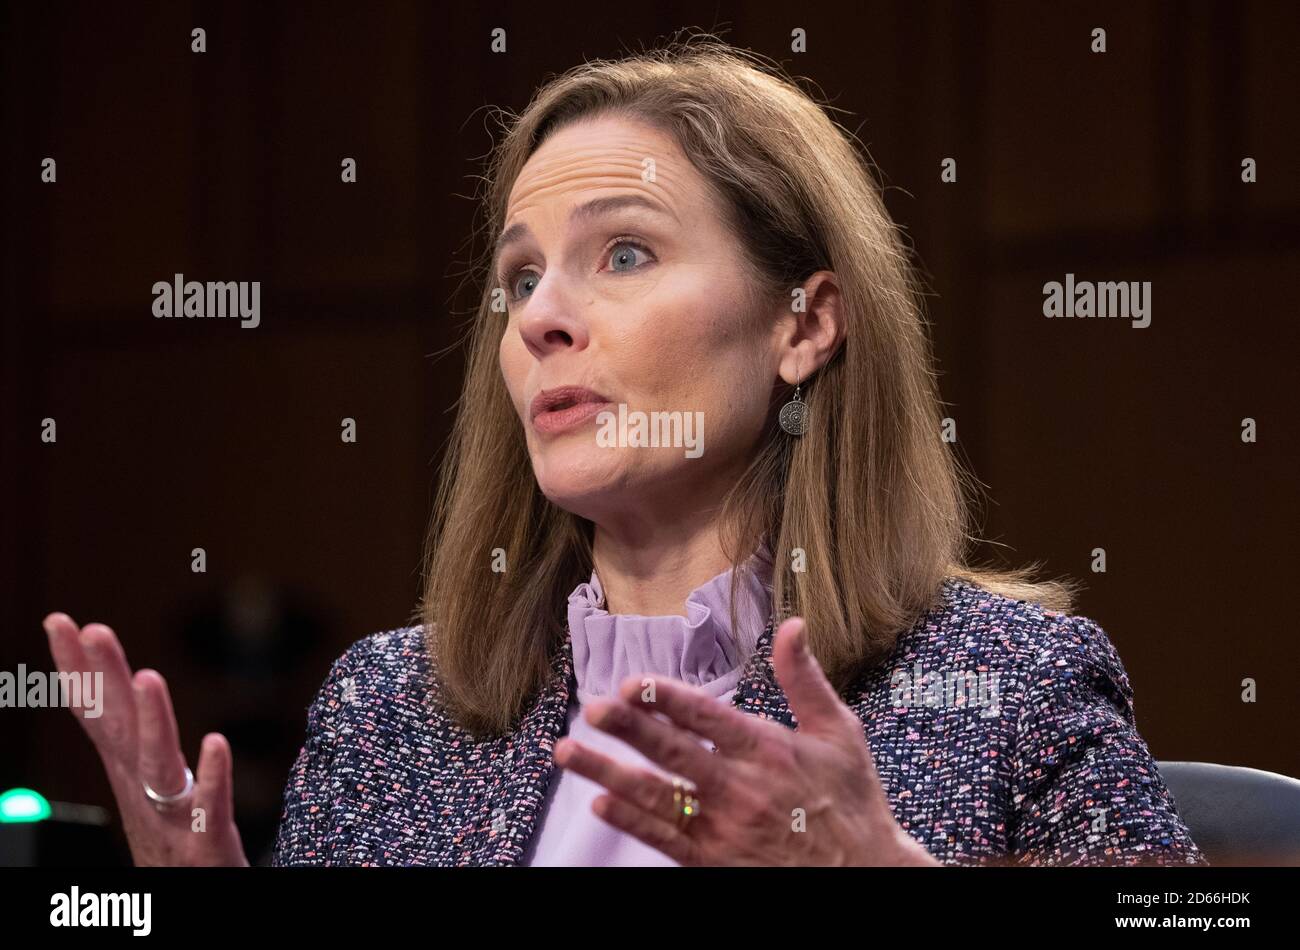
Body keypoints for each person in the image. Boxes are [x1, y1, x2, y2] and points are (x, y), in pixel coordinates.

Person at [43, 40, 1206, 867]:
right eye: (519, 276)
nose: (542, 314)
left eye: (626, 254)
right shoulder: (391, 709)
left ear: (800, 325)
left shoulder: (1008, 684)